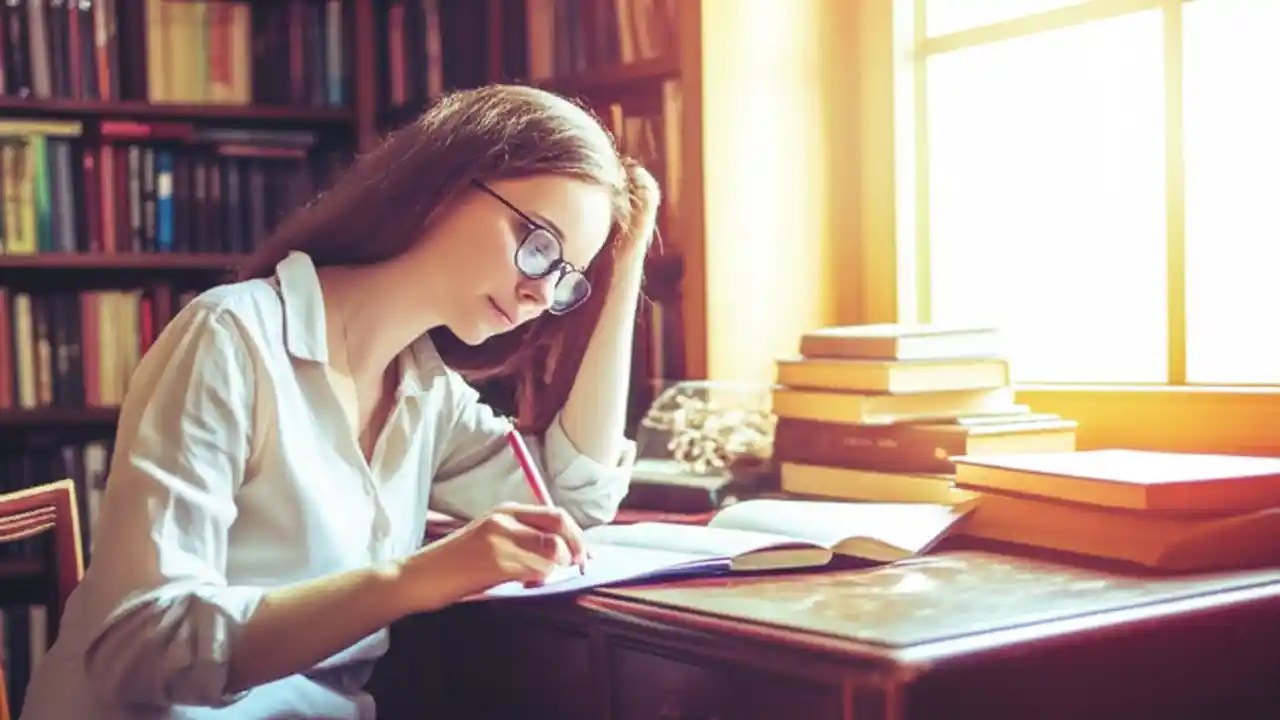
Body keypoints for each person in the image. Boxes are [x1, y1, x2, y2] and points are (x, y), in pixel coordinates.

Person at [20, 84, 658, 719]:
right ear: (447, 183)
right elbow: (142, 644)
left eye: (563, 278)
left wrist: (625, 259)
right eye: (539, 245)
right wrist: (410, 581)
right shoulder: (232, 340)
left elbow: (574, 499)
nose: (537, 295)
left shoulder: (425, 391)